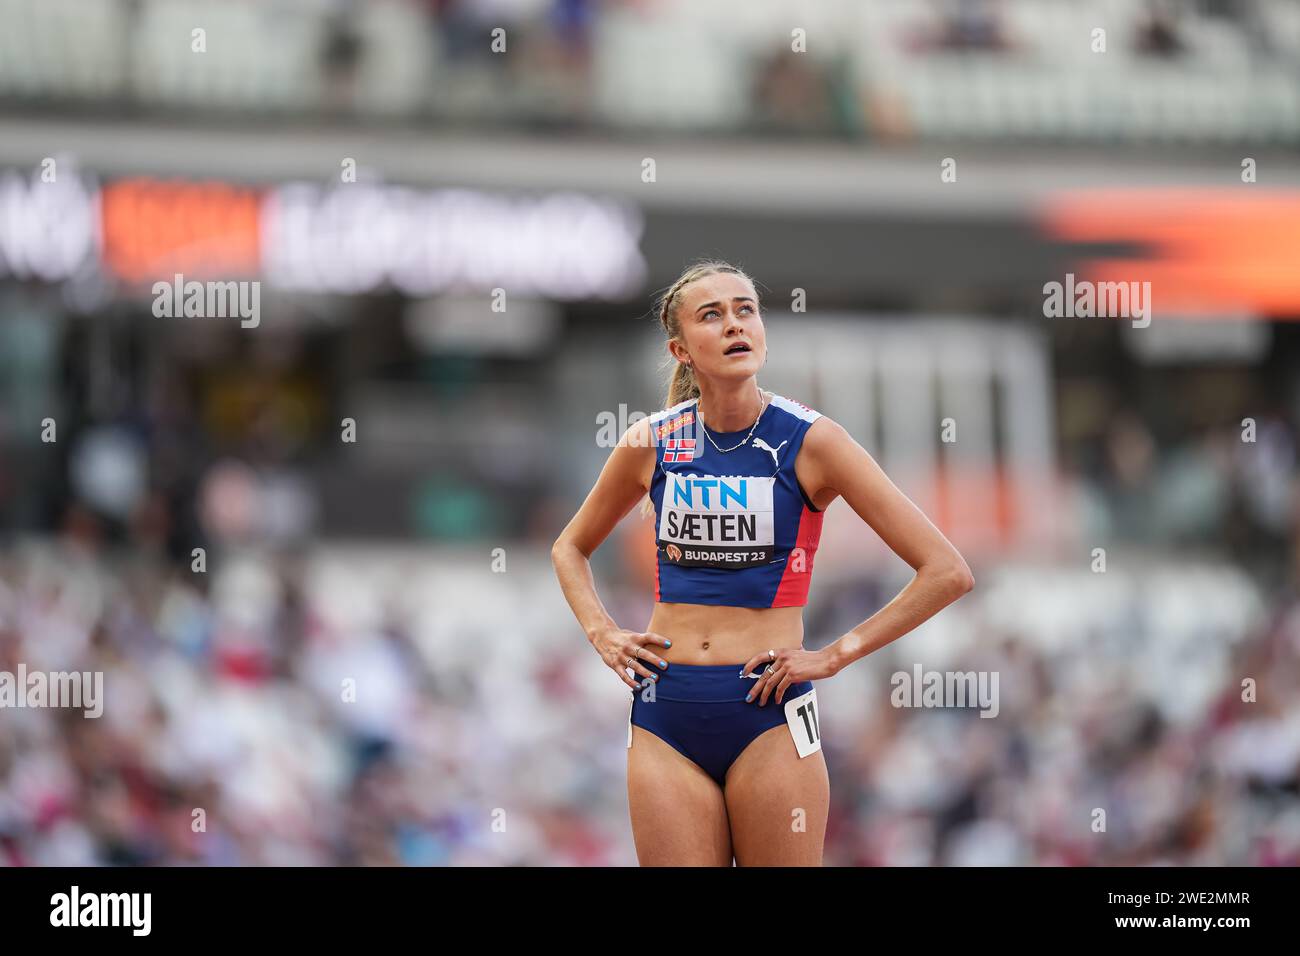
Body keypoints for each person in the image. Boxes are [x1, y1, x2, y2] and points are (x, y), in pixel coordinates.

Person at [551, 259, 973, 865]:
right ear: (681, 349)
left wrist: (835, 654)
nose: (733, 325)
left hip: (767, 714)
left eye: (745, 310)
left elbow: (946, 570)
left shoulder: (813, 440)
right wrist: (601, 631)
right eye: (712, 315)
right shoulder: (652, 439)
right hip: (665, 711)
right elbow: (570, 546)